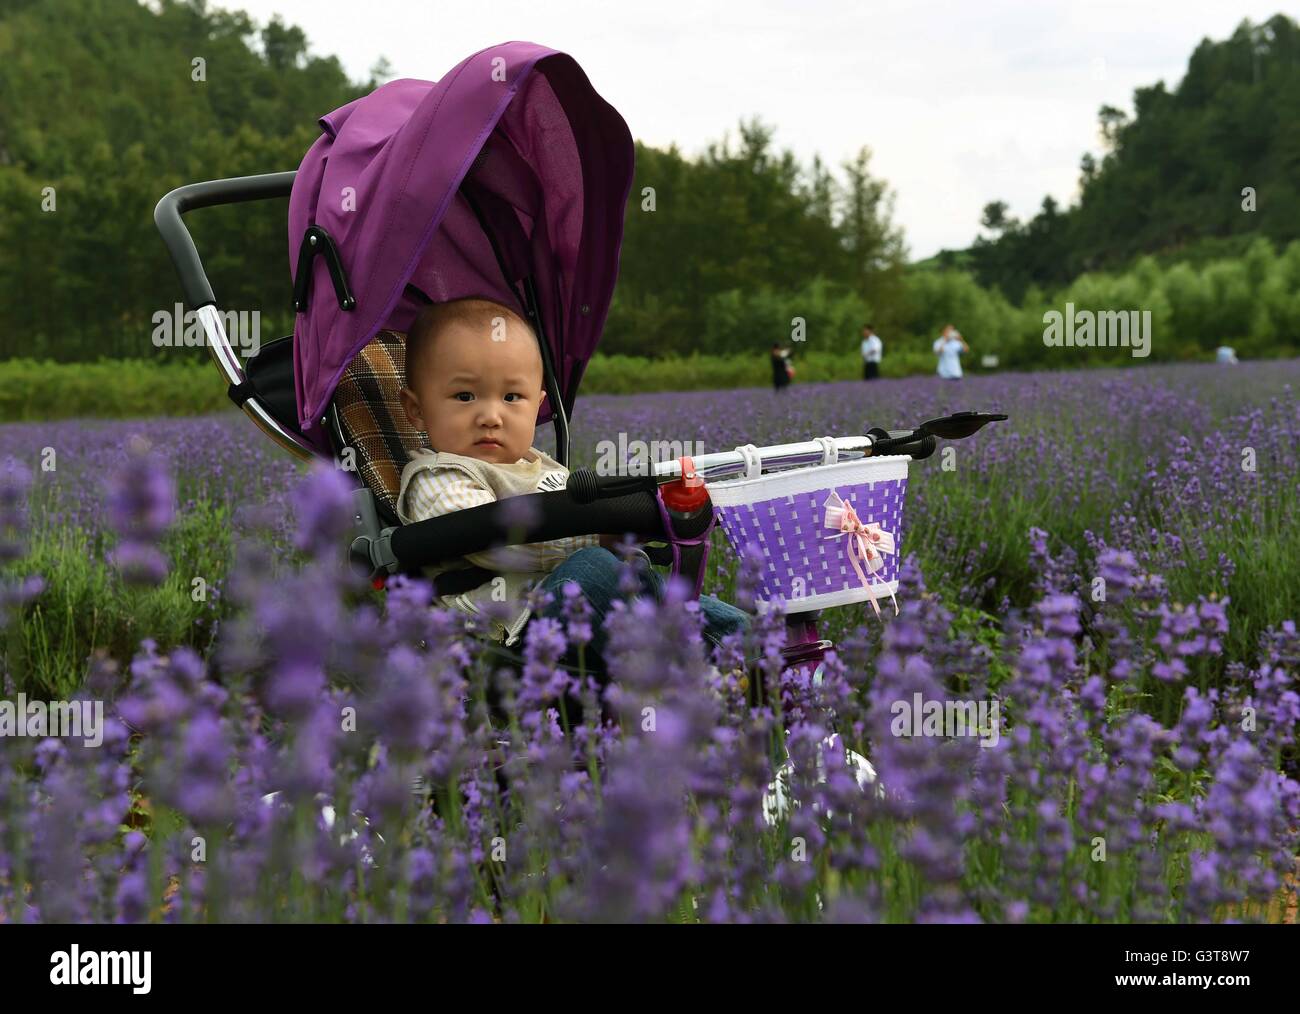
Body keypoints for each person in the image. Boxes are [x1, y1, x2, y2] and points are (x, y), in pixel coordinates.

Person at [396, 297, 750, 668]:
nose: (490, 416)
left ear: (538, 405)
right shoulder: (437, 476)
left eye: (512, 397)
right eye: (464, 396)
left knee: (709, 611)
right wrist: (596, 537)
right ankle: (695, 670)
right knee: (592, 569)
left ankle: (764, 670)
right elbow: (483, 535)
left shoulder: (538, 466)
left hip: (597, 604)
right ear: (416, 410)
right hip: (513, 628)